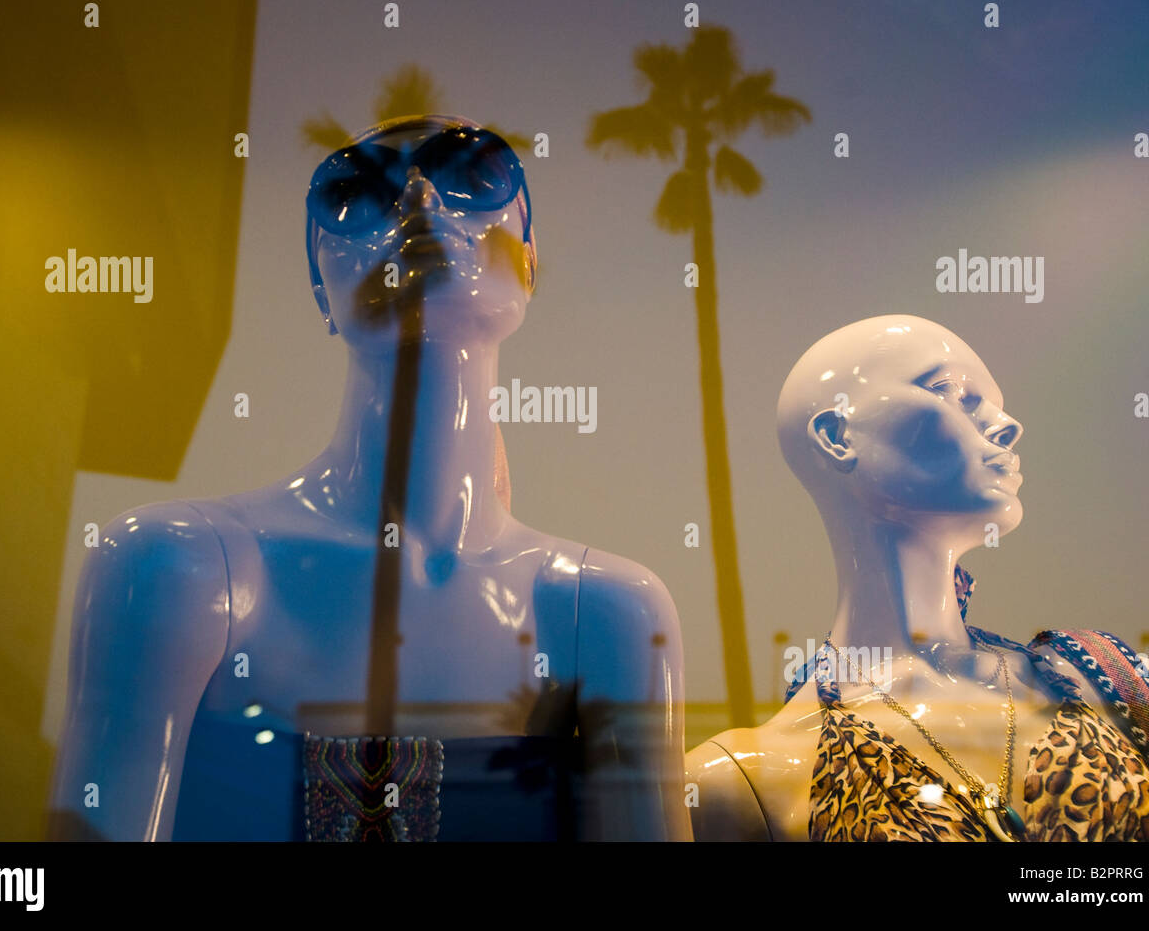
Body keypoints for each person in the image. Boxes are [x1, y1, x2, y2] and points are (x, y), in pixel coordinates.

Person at [48, 114, 689, 841]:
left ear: (530, 259)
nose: (420, 199)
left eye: (473, 174)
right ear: (322, 289)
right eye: (356, 190)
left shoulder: (603, 613)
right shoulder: (182, 569)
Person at [687, 315, 1149, 841]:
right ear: (837, 435)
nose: (1007, 423)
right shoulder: (741, 784)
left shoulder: (1135, 694)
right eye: (952, 392)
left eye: (993, 400)